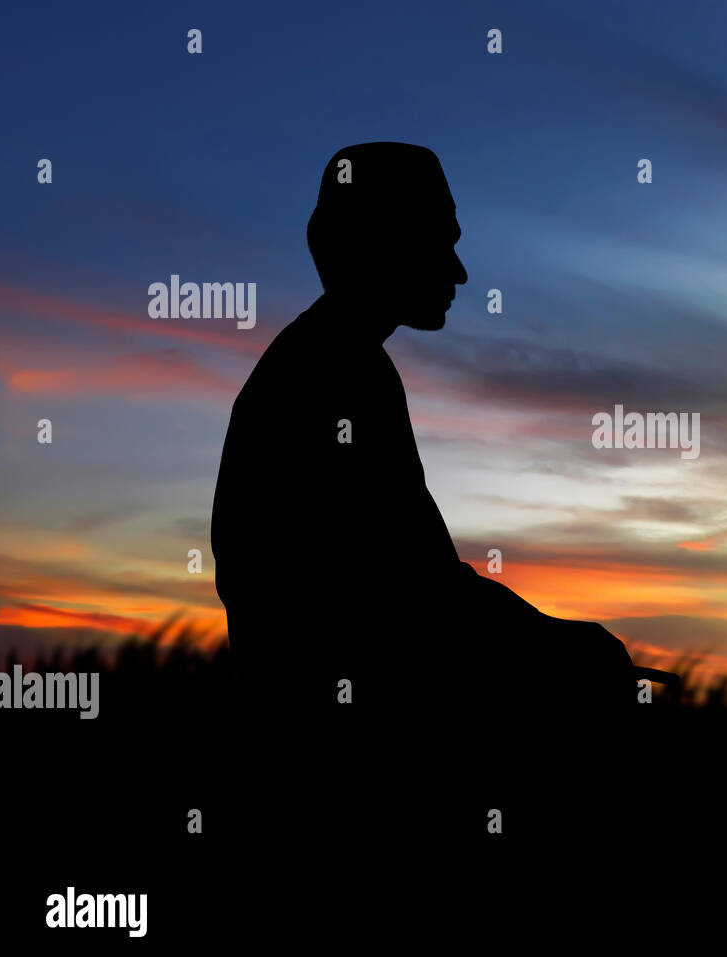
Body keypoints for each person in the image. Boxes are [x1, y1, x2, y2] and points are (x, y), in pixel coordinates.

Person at [210, 143, 636, 798]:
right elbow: (412, 594)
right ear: (385, 240)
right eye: (442, 241)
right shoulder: (338, 375)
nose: (461, 272)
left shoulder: (332, 363)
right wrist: (563, 647)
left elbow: (414, 587)